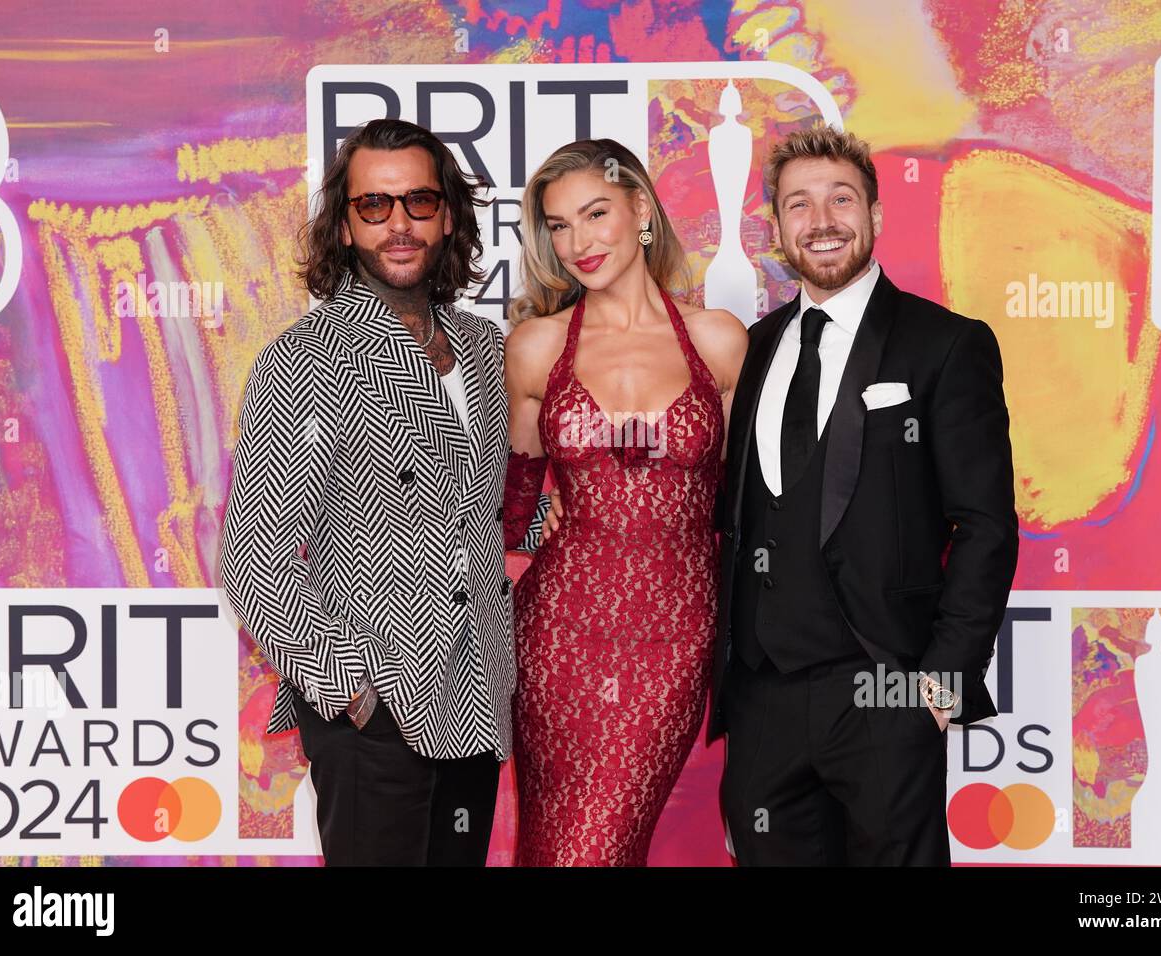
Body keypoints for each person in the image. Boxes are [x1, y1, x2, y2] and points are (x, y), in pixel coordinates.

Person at [219, 119, 550, 865]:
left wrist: (550, 523)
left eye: (419, 203)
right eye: (375, 206)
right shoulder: (307, 358)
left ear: (449, 216)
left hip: (475, 693)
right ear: (345, 223)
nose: (399, 225)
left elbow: (479, 512)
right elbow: (253, 560)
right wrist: (352, 692)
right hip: (377, 707)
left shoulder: (481, 346)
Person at [710, 123, 1018, 865]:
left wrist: (942, 680)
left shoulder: (944, 344)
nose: (821, 222)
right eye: (799, 205)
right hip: (764, 696)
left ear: (876, 214)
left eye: (840, 200)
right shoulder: (752, 348)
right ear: (775, 227)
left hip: (886, 689)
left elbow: (985, 524)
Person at [502, 138, 747, 866]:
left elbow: (745, 506)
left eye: (595, 213)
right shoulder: (537, 347)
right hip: (560, 636)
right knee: (562, 848)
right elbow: (512, 507)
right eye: (558, 224)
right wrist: (553, 523)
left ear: (641, 208)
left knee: (606, 844)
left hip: (675, 639)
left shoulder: (720, 341)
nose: (577, 241)